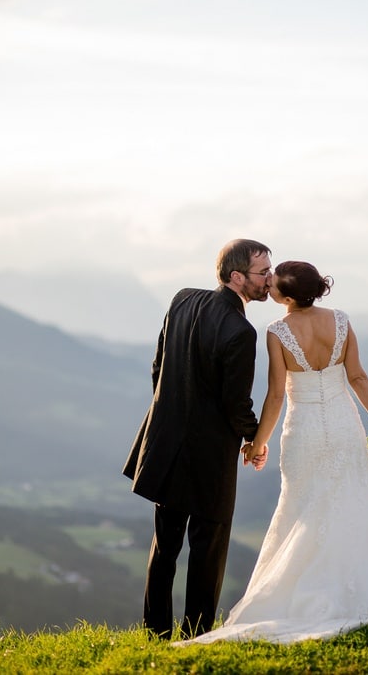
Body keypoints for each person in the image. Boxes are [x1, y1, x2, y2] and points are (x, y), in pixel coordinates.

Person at [183, 260, 368, 644]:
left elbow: (275, 395)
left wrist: (257, 443)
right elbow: (358, 377)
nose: (268, 288)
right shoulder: (340, 320)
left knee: (302, 510)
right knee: (356, 504)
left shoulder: (277, 332)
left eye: (273, 285)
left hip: (303, 434)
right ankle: (367, 592)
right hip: (344, 427)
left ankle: (305, 598)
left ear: (285, 296)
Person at [123, 238, 272, 639]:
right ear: (237, 277)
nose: (270, 280)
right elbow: (235, 402)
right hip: (208, 457)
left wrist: (171, 413)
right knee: (207, 550)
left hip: (166, 444)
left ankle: (154, 634)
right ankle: (197, 636)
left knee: (164, 546)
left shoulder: (182, 299)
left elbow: (158, 366)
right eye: (263, 273)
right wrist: (255, 442)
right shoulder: (241, 331)